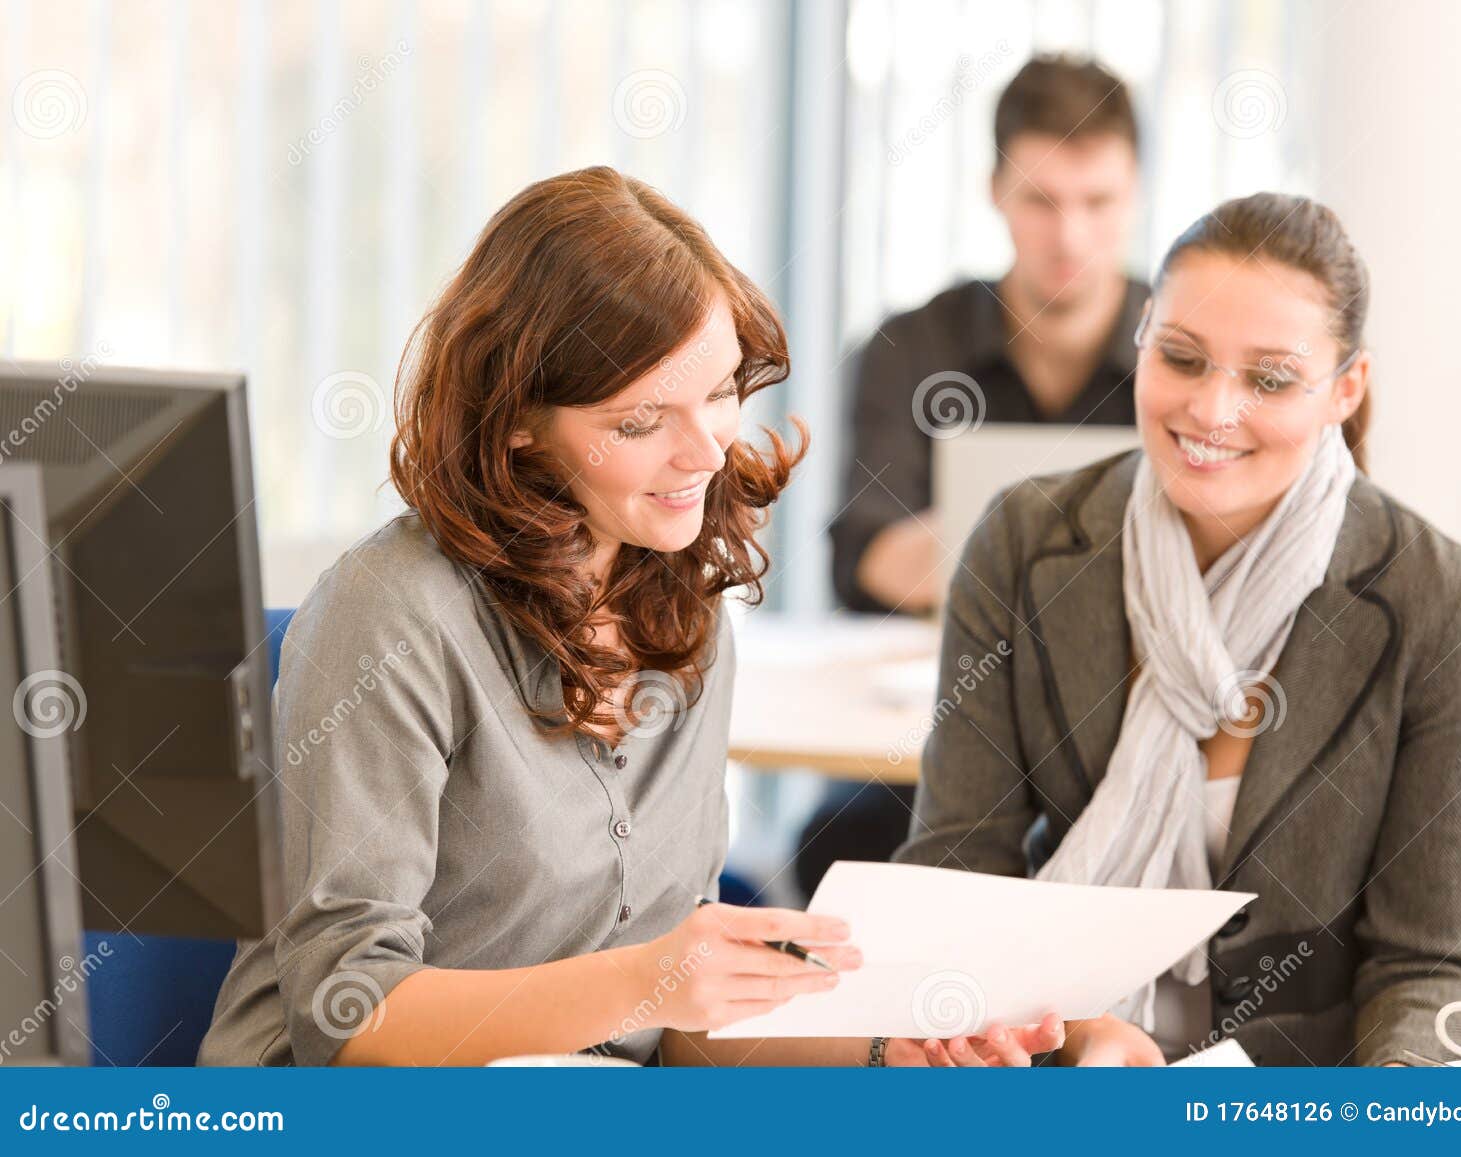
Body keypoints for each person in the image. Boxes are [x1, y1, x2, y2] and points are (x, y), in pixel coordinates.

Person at [197, 167, 1063, 1068]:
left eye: (722, 391)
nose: (705, 451)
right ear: (520, 422)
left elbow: (680, 1024)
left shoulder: (683, 600)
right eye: (644, 419)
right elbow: (346, 1015)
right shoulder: (391, 614)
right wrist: (647, 978)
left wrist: (893, 1049)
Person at [892, 192, 1461, 1066]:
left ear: (1346, 388)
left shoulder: (1443, 601)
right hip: (1061, 1063)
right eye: (1183, 358)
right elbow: (957, 872)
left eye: (1268, 379)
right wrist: (1039, 1038)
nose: (1212, 411)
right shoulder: (1025, 539)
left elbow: (1425, 968)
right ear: (1144, 336)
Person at [801, 53, 1148, 898]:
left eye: (1098, 202)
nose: (1070, 235)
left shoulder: (1182, 357)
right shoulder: (911, 347)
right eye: (1041, 199)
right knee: (842, 844)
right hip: (938, 723)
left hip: (1134, 729)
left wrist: (973, 547)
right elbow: (867, 558)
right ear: (996, 190)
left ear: (1134, 191)